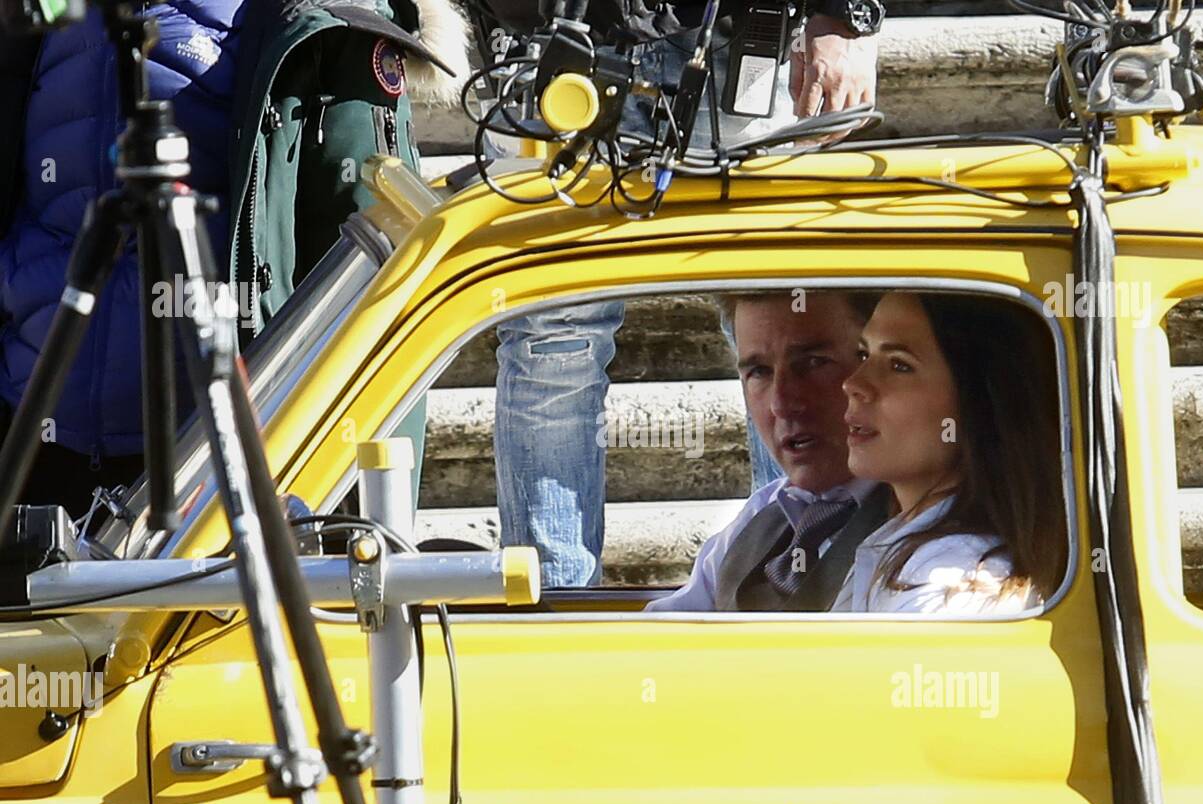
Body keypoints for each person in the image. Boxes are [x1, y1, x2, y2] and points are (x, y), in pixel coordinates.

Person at [0, 0, 468, 520]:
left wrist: (371, 520)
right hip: (32, 438)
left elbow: (378, 276)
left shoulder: (319, 21)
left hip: (218, 461)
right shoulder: (40, 18)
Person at [487, 2, 882, 587]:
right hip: (557, 36)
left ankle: (795, 596)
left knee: (787, 329)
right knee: (549, 340)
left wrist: (843, 16)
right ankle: (557, 625)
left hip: (739, 33)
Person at [644, 289, 890, 612]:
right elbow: (663, 636)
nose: (782, 403)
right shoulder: (758, 518)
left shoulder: (922, 537)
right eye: (759, 372)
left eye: (814, 363)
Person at [831, 291, 1068, 613]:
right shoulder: (910, 547)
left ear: (978, 402)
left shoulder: (953, 583)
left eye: (899, 365)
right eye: (863, 355)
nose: (853, 383)